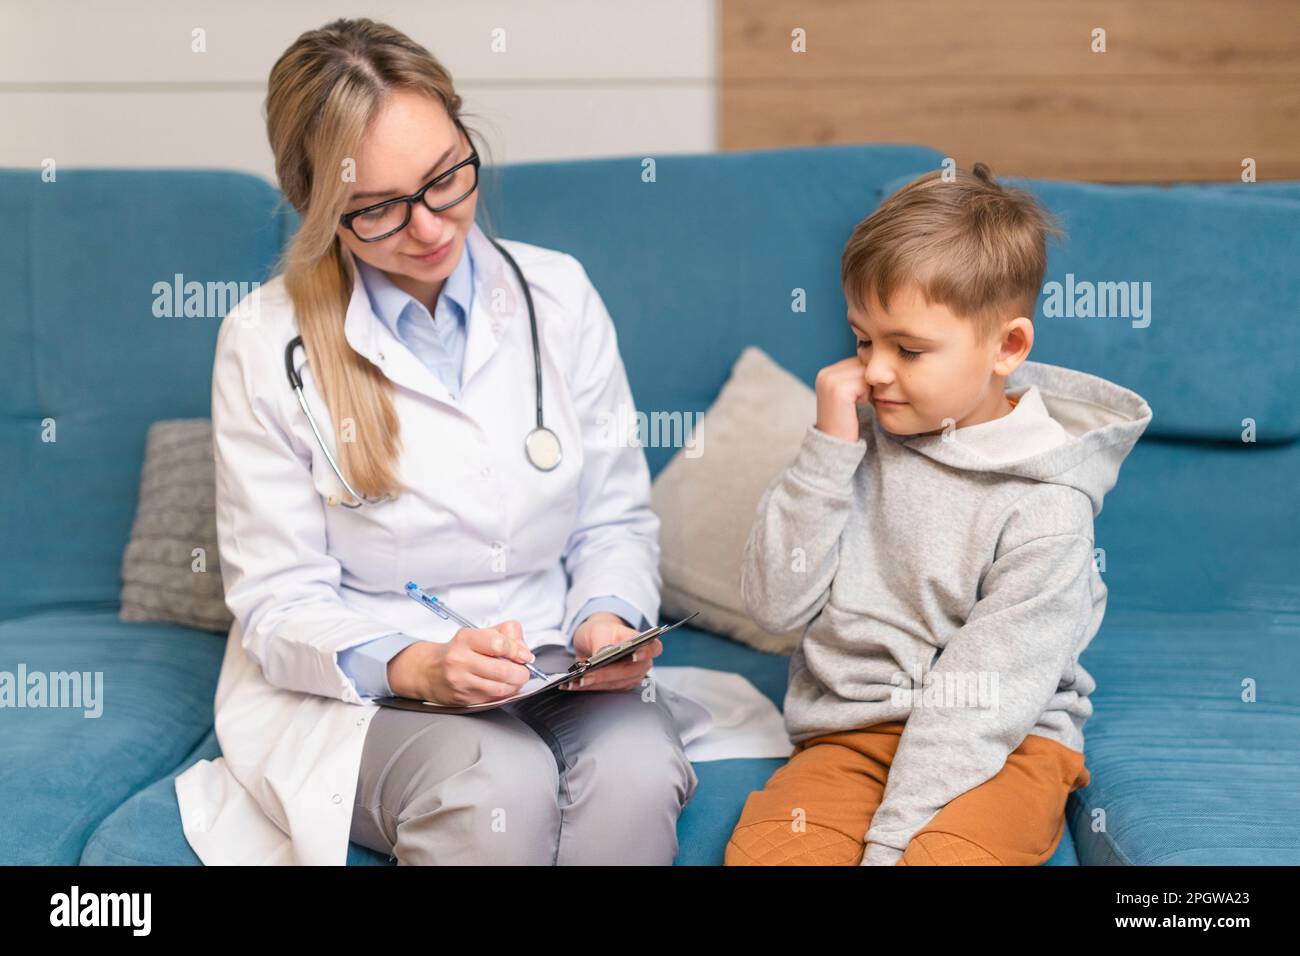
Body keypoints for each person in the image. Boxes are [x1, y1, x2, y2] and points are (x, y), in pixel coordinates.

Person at [174, 17, 703, 866]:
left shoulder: (558, 295)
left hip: (550, 649)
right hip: (368, 686)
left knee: (637, 771)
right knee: (497, 778)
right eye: (378, 209)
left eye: (443, 179)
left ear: (464, 136)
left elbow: (613, 523)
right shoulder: (262, 341)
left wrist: (610, 622)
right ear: (317, 208)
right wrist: (421, 668)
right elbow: (278, 600)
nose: (428, 229)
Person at [726, 163, 1153, 865]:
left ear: (1007, 348)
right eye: (863, 339)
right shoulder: (852, 443)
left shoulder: (1048, 503)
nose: (875, 371)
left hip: (1002, 740)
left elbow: (981, 701)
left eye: (908, 349)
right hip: (852, 732)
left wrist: (890, 846)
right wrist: (826, 453)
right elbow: (774, 607)